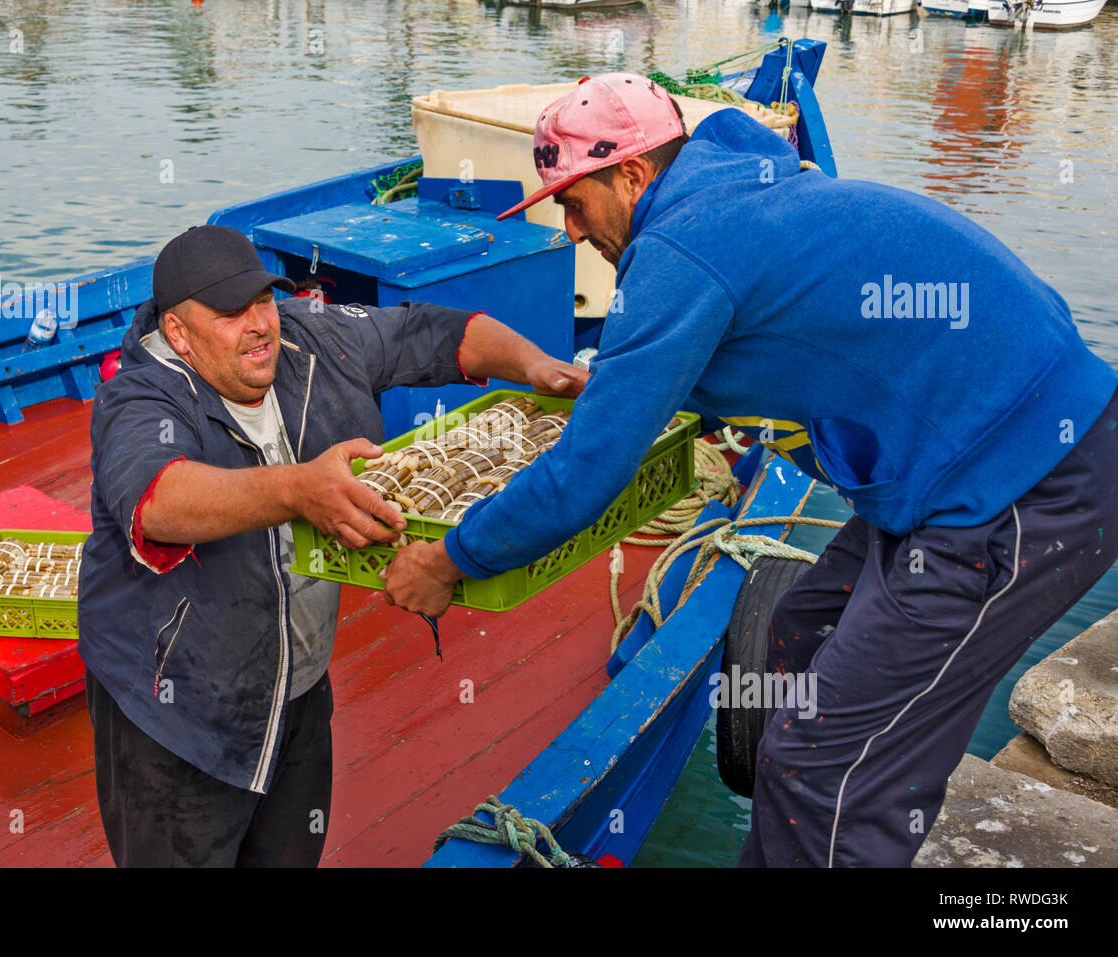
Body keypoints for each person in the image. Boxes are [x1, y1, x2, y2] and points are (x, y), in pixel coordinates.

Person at [382, 73, 1118, 867]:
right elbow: (765, 336)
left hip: (1025, 487)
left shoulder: (676, 247)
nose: (568, 228)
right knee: (793, 635)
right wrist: (629, 384)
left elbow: (584, 475)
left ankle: (834, 819)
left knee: (826, 767)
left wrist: (451, 558)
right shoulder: (733, 189)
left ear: (631, 175)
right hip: (975, 451)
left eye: (574, 202)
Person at [77, 224, 587, 867]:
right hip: (176, 713)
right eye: (232, 313)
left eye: (263, 299)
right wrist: (298, 489)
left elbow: (432, 332)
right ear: (179, 332)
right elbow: (160, 501)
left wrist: (531, 363)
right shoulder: (139, 395)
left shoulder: (311, 335)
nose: (260, 324)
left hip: (298, 686)